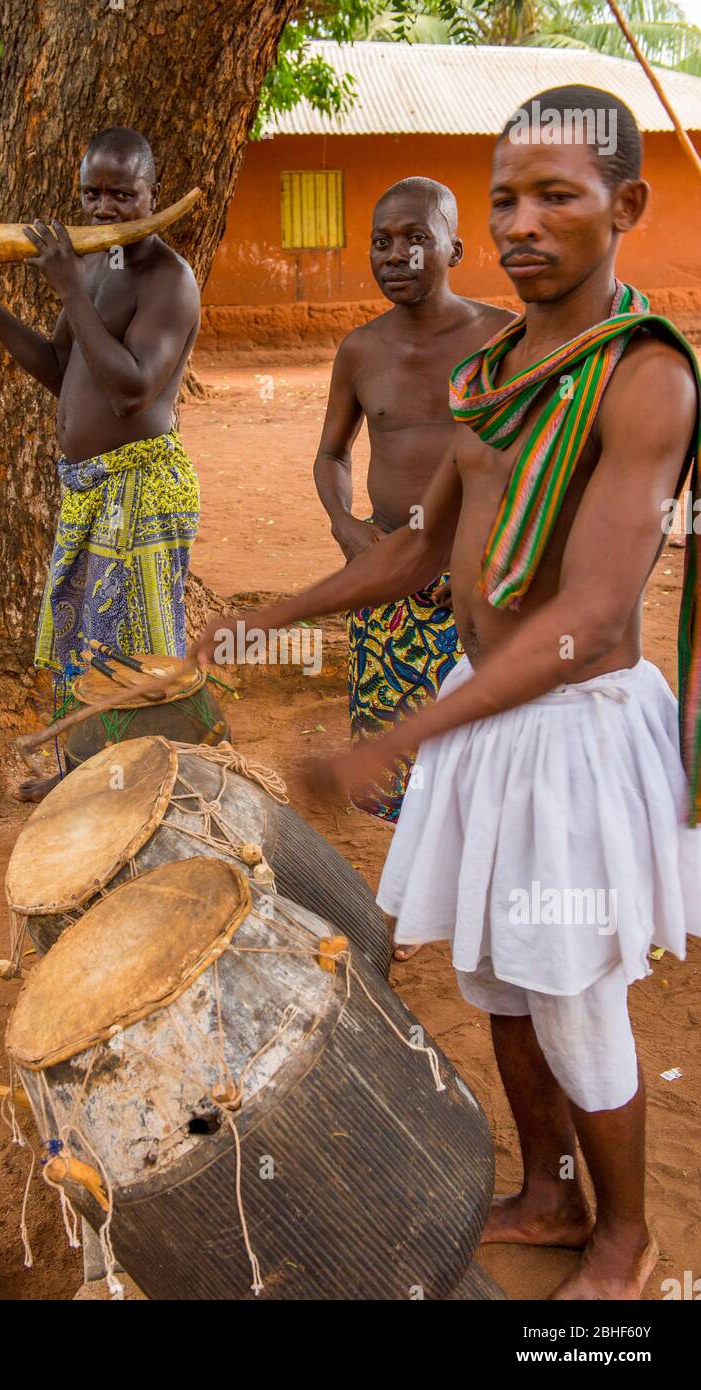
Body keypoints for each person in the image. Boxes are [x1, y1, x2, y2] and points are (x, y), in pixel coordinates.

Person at [194, 85, 701, 1299]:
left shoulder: (642, 382)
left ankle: (623, 1238)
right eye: (506, 199)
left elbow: (583, 624)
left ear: (625, 206)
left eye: (555, 197)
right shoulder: (498, 370)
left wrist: (399, 737)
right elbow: (421, 547)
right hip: (484, 712)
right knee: (498, 978)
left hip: (567, 737)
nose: (522, 222)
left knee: (571, 993)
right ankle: (550, 1189)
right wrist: (270, 615)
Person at [0, 127, 201, 800]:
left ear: (152, 193)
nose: (105, 209)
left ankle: (157, 788)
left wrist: (67, 289)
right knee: (81, 638)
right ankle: (84, 780)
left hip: (140, 486)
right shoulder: (90, 268)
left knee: (139, 649)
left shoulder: (169, 278)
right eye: (92, 193)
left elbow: (133, 386)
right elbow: (61, 369)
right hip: (87, 489)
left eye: (122, 194)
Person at [313, 178, 512, 857]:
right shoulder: (360, 351)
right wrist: (345, 526)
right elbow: (331, 454)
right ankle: (411, 896)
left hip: (484, 579)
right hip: (389, 581)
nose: (395, 255)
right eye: (381, 242)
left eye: (416, 239)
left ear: (454, 248)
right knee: (393, 769)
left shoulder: (502, 341)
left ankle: (484, 891)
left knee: (487, 751)